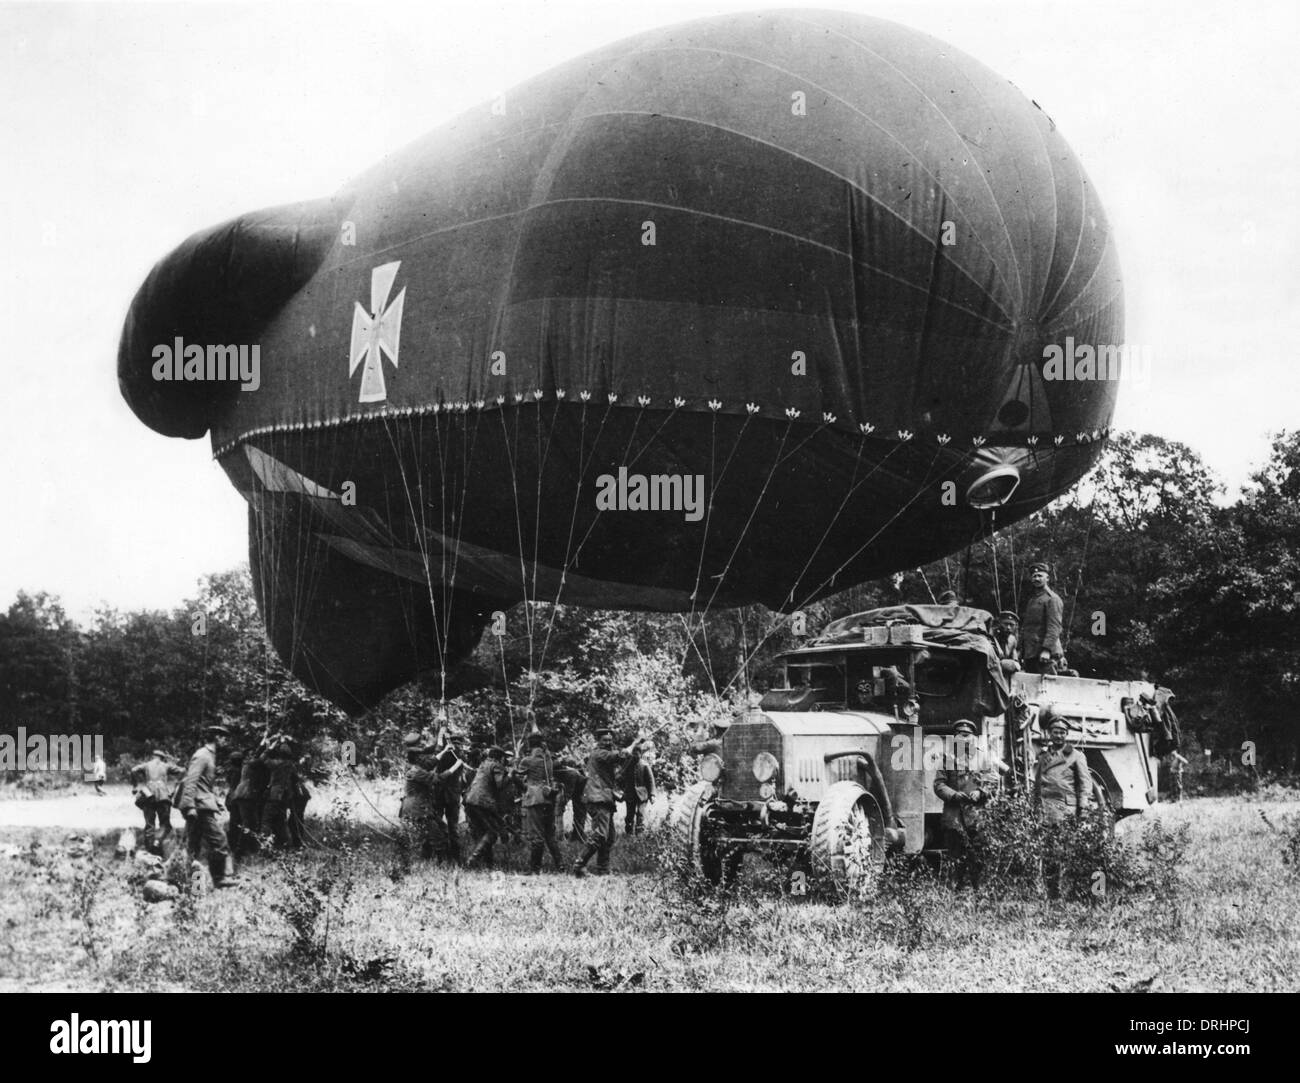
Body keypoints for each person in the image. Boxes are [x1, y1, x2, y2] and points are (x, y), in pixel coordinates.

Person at [933, 720, 1002, 889]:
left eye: (967, 736)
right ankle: (956, 890)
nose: (964, 739)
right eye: (960, 736)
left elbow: (994, 781)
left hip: (976, 814)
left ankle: (979, 891)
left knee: (977, 854)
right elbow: (939, 785)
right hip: (954, 814)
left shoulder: (982, 757)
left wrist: (981, 792)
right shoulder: (947, 758)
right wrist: (954, 795)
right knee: (955, 854)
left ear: (973, 738)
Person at [178, 723, 240, 889]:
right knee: (219, 841)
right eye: (224, 737)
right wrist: (189, 806)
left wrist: (216, 802)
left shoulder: (209, 755)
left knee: (194, 846)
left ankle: (191, 883)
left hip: (202, 805)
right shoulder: (203, 755)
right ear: (217, 738)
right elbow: (191, 781)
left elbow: (203, 785)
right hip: (199, 808)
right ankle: (219, 879)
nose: (226, 741)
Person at [574, 729, 641, 877]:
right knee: (600, 835)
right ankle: (579, 865)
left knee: (609, 837)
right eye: (604, 740)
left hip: (604, 798)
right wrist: (635, 742)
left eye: (610, 740)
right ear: (598, 741)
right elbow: (620, 755)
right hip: (597, 799)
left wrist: (635, 752)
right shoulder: (599, 754)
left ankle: (602, 869)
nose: (608, 742)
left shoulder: (605, 756)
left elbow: (622, 765)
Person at [515, 732, 565, 874]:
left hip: (535, 799)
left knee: (537, 835)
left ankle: (534, 869)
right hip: (549, 798)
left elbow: (516, 775)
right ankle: (560, 865)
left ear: (529, 745)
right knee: (550, 834)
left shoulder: (527, 761)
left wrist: (523, 786)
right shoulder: (548, 758)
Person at [1033, 710, 1090, 823]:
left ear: (1067, 734)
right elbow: (1038, 784)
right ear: (1050, 733)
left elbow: (1085, 784)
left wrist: (1083, 807)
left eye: (1062, 732)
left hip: (1065, 809)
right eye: (1055, 732)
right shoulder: (1043, 757)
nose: (1059, 736)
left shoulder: (1076, 755)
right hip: (1045, 809)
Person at [465, 746, 510, 868]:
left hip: (470, 800)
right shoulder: (497, 765)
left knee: (482, 832)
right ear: (500, 758)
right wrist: (510, 775)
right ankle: (472, 860)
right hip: (483, 802)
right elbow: (500, 785)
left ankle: (488, 863)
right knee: (492, 833)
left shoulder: (484, 764)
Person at [131, 749, 179, 853]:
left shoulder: (146, 765)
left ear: (153, 756)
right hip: (163, 795)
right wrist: (175, 789)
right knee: (165, 824)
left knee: (149, 824)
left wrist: (135, 786)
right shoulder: (165, 765)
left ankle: (150, 851)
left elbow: (133, 770)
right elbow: (182, 771)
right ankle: (159, 844)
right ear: (162, 758)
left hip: (148, 794)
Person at [1020, 562, 1064, 674]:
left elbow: (1054, 627)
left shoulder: (1052, 599)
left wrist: (1047, 650)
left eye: (1040, 575)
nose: (1037, 578)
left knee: (1048, 687)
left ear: (1047, 578)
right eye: (1034, 576)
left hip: (1044, 655)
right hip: (1031, 654)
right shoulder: (1033, 600)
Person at [260, 737, 299, 851]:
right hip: (286, 796)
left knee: (266, 820)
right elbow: (296, 779)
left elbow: (262, 759)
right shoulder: (291, 765)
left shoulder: (276, 763)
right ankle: (285, 845)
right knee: (281, 821)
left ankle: (265, 847)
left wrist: (268, 749)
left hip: (274, 795)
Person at [229, 748, 268, 856]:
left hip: (238, 796)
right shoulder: (250, 765)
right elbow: (261, 758)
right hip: (245, 796)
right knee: (248, 823)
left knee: (237, 822)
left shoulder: (243, 767)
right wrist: (269, 747)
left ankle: (236, 847)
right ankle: (240, 850)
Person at [620, 746, 656, 835]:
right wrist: (622, 791)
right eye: (634, 754)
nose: (635, 756)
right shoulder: (628, 765)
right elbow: (621, 777)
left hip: (642, 794)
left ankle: (639, 832)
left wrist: (652, 794)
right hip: (630, 793)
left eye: (637, 754)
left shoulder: (645, 765)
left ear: (641, 754)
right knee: (629, 815)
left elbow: (651, 780)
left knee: (640, 813)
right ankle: (629, 832)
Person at [555, 757, 588, 843]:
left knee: (580, 814)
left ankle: (579, 836)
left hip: (583, 791)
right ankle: (576, 835)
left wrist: (562, 804)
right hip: (576, 792)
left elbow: (569, 791)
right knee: (578, 813)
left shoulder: (570, 774)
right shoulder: (560, 773)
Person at [991, 611, 1021, 676]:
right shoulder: (991, 637)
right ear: (999, 624)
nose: (1008, 628)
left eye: (1011, 625)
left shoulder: (1012, 639)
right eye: (1006, 624)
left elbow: (1016, 662)